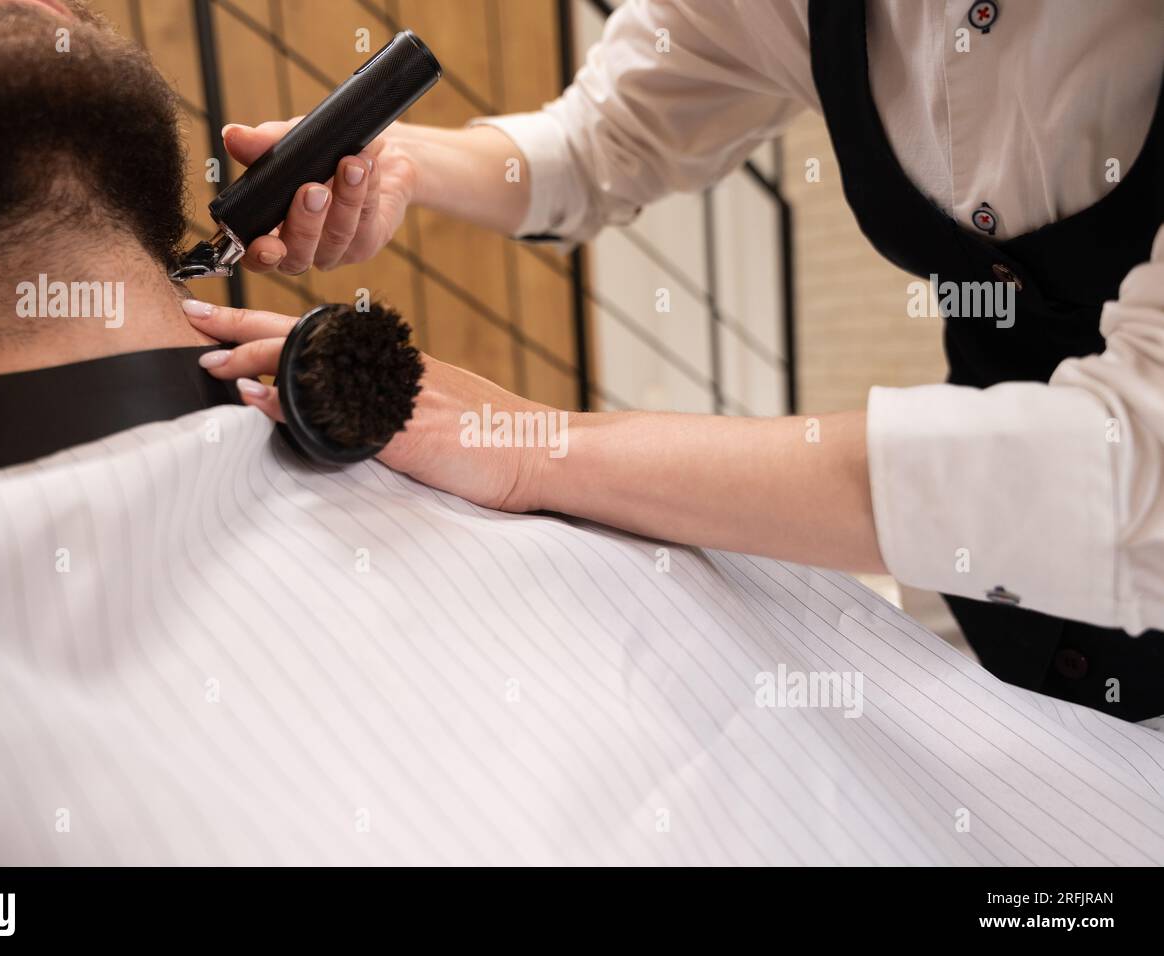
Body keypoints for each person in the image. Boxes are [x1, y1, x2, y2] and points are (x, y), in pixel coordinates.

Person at [210, 0, 1164, 721]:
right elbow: (603, 143)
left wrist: (532, 451)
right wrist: (398, 159)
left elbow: (1129, 474)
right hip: (996, 622)